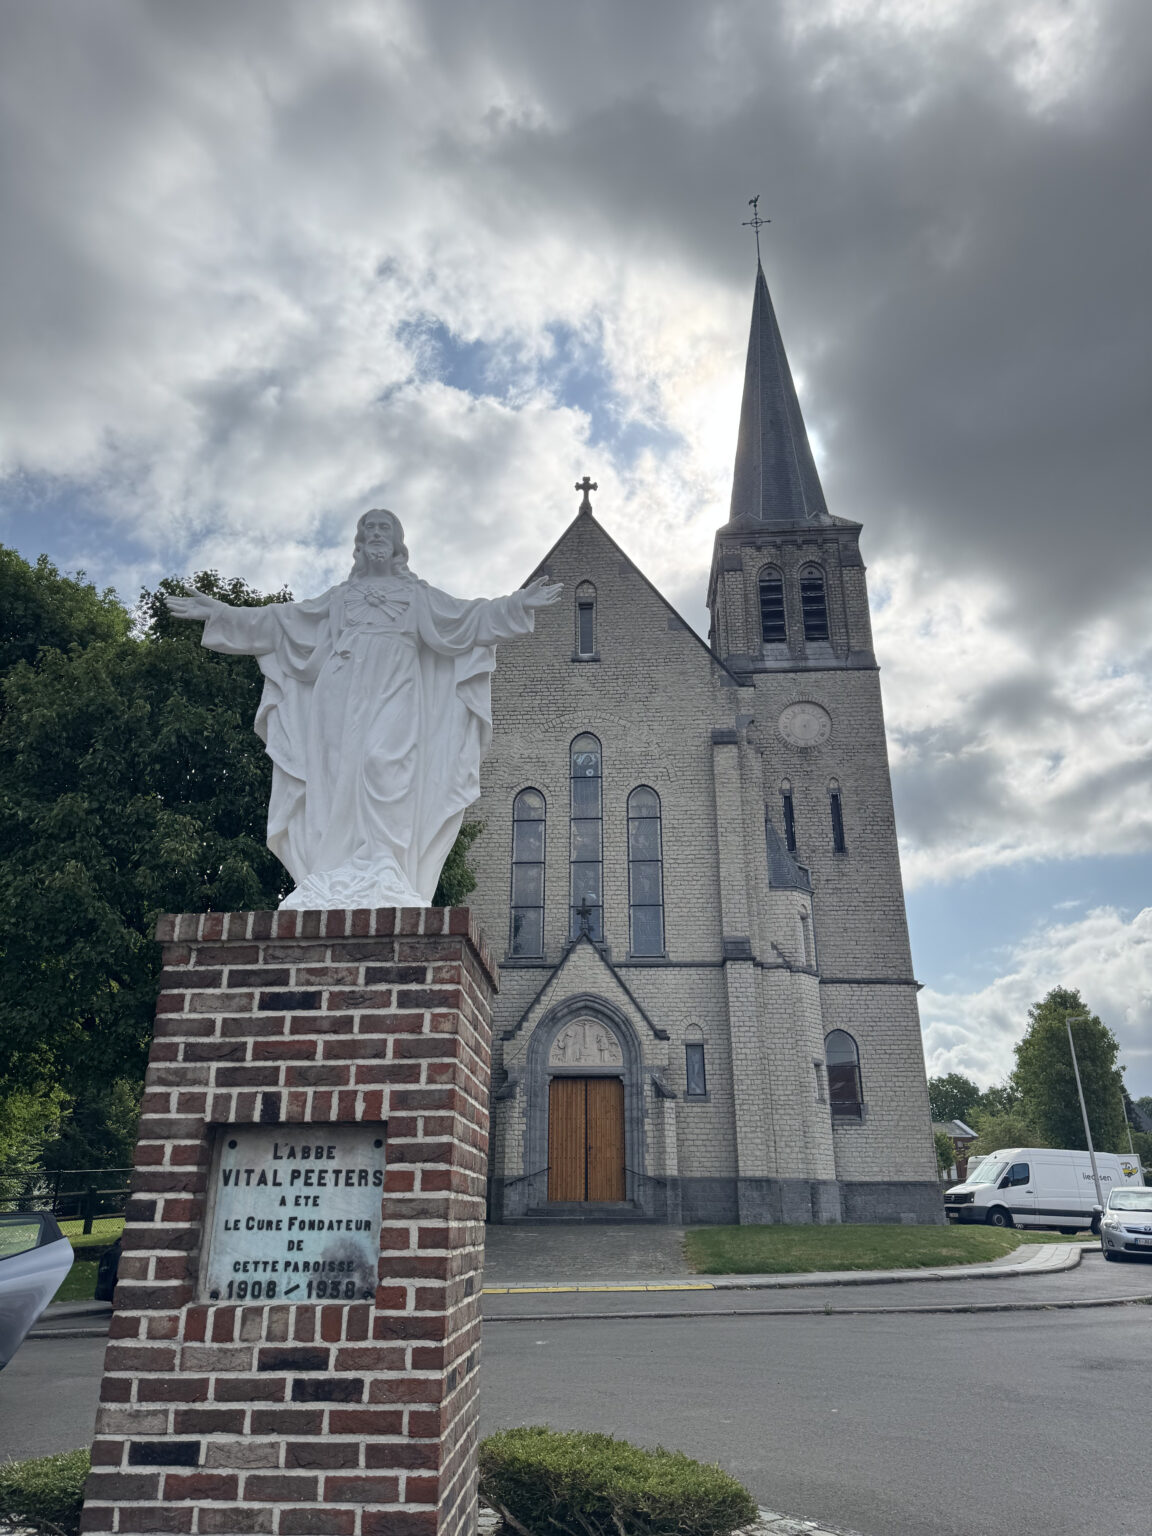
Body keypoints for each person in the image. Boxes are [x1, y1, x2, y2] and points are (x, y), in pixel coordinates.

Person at [165, 508, 561, 909]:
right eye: (368, 528)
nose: (375, 533)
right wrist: (221, 614)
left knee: (384, 763)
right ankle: (336, 865)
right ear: (359, 541)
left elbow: (468, 616)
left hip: (397, 684)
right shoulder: (340, 597)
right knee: (338, 773)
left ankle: (385, 859)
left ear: (397, 541)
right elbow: (280, 621)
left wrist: (518, 604)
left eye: (383, 527)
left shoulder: (417, 594)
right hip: (340, 687)